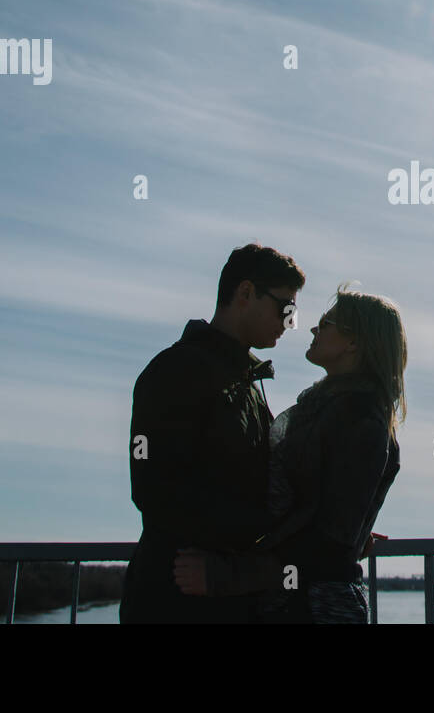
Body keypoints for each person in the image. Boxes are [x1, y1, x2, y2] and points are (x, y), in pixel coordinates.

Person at [173, 283, 406, 623]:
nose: (313, 327)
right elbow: (325, 515)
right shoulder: (330, 409)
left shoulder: (361, 421)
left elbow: (328, 547)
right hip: (295, 601)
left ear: (354, 342)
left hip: (316, 608)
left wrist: (226, 576)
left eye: (327, 323)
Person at [119, 243, 305, 623]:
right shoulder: (175, 370)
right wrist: (263, 535)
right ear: (245, 293)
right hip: (175, 600)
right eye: (285, 308)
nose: (289, 322)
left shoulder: (246, 383)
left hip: (225, 598)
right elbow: (153, 489)